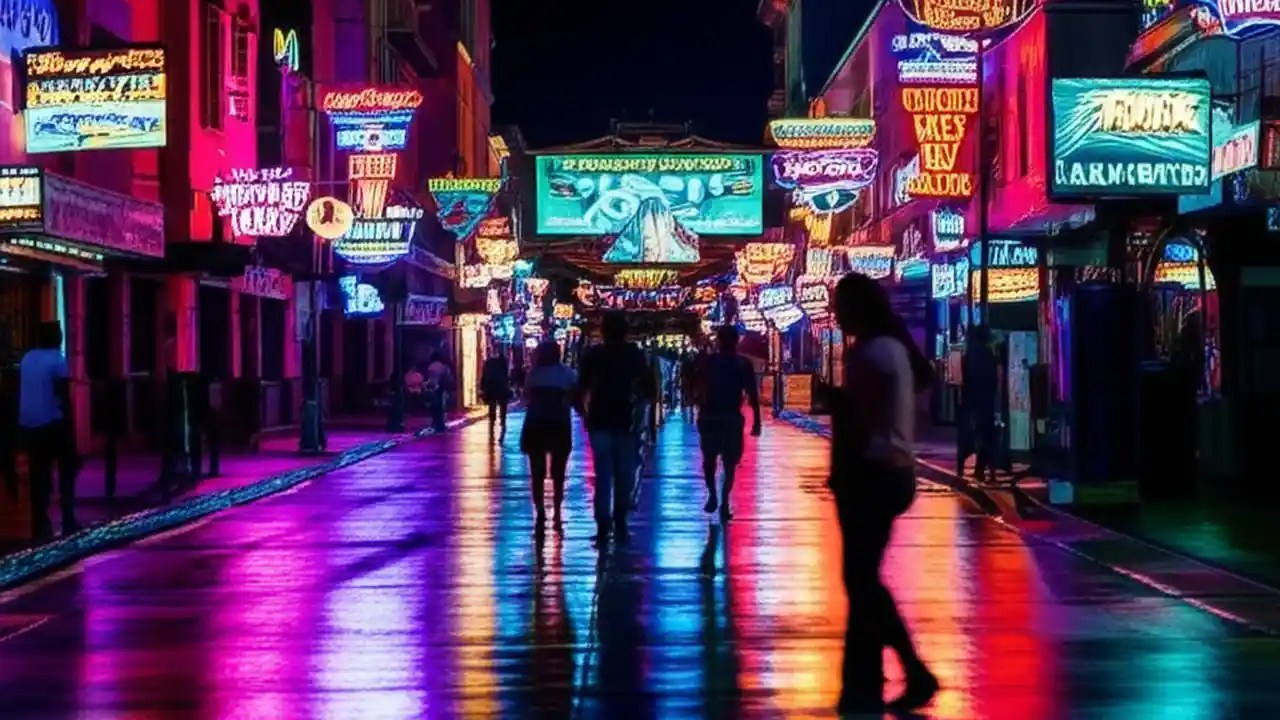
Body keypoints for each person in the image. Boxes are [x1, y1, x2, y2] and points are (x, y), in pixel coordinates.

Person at [819, 272, 939, 714]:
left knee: (863, 581)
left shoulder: (872, 355)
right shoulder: (889, 350)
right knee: (860, 580)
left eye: (841, 305)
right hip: (888, 472)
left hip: (872, 475)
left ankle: (912, 670)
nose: (835, 312)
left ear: (857, 309)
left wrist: (835, 404)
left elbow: (859, 423)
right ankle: (861, 682)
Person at [577, 311, 654, 546]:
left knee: (603, 475)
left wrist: (585, 416)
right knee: (625, 474)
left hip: (600, 419)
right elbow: (648, 389)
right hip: (626, 420)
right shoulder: (635, 355)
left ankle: (603, 524)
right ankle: (620, 520)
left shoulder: (594, 355)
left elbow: (580, 389)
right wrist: (642, 413)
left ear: (603, 331)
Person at [17, 322, 79, 540]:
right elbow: (63, 394)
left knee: (38, 470)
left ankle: (40, 521)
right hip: (51, 422)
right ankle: (68, 517)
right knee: (67, 466)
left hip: (28, 423)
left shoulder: (27, 358)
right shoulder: (56, 359)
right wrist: (71, 424)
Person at [697, 325, 761, 520]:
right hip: (731, 418)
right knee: (729, 463)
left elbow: (698, 386)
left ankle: (714, 495)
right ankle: (723, 500)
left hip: (710, 417)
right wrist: (757, 420)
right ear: (736, 341)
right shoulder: (743, 364)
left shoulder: (708, 362)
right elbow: (752, 394)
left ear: (718, 340)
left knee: (710, 461)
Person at [521, 341, 577, 529]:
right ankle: (558, 512)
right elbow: (575, 395)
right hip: (559, 424)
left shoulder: (533, 375)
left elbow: (526, 397)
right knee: (558, 473)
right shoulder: (567, 374)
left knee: (537, 472)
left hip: (536, 424)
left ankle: (540, 512)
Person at [960, 325, 999, 484]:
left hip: (975, 401)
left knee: (977, 436)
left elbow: (968, 380)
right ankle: (987, 470)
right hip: (986, 400)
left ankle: (980, 469)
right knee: (988, 436)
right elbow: (993, 379)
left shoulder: (970, 355)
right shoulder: (988, 354)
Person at [481, 350, 511, 437]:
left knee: (492, 405)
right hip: (501, 387)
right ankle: (502, 421)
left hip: (492, 387)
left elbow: (484, 375)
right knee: (502, 405)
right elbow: (506, 375)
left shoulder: (488, 363)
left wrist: (482, 388)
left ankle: (492, 421)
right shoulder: (503, 363)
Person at [425, 352, 453, 433]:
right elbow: (447, 377)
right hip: (441, 387)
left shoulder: (430, 366)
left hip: (432, 387)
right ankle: (440, 424)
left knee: (434, 407)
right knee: (441, 407)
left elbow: (429, 377)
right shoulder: (443, 366)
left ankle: (435, 423)